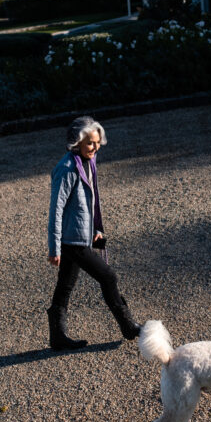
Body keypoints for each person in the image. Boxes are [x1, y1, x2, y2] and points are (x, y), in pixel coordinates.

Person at [46, 116, 141, 350]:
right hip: (72, 241)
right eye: (90, 143)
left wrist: (96, 229)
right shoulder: (67, 169)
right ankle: (128, 326)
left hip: (81, 236)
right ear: (76, 143)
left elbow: (90, 203)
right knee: (108, 277)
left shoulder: (87, 162)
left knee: (65, 286)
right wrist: (54, 247)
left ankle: (57, 337)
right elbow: (55, 210)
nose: (95, 147)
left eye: (97, 142)